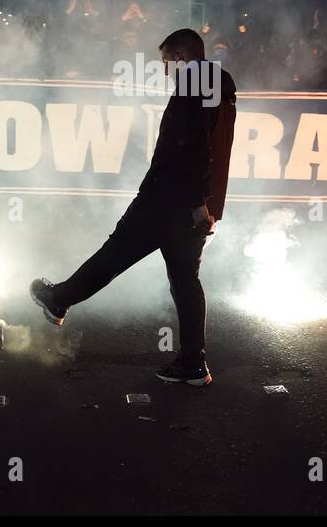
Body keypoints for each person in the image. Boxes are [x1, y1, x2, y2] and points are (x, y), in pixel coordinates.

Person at [29, 29, 237, 386]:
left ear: (182, 58)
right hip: (193, 204)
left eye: (167, 63)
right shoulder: (219, 87)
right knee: (185, 280)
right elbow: (215, 150)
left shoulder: (195, 84)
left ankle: (59, 299)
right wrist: (207, 204)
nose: (166, 71)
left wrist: (196, 202)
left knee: (116, 253)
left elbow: (195, 147)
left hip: (169, 199)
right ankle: (193, 363)